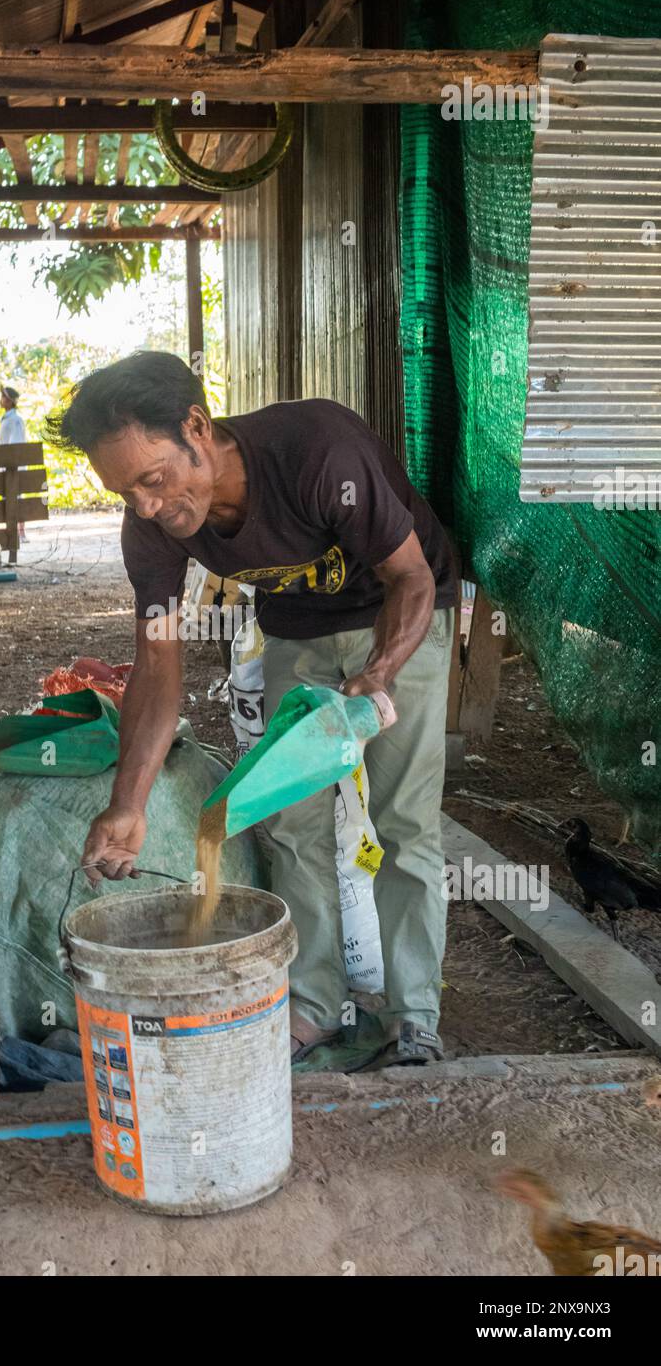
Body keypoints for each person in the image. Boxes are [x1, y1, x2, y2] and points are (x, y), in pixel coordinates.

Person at [53, 351, 457, 1071]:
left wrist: (379, 676)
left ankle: (414, 1018)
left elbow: (412, 576)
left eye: (153, 479)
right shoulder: (150, 523)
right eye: (126, 492)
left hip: (400, 618)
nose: (147, 506)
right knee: (294, 824)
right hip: (296, 632)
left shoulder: (317, 453)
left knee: (400, 822)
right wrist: (128, 805)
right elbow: (157, 661)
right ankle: (312, 1008)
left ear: (197, 428)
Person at [0, 384, 27, 542]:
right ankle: (15, 531)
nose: (0, 400)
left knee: (15, 497)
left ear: (9, 401)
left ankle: (20, 532)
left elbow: (14, 447)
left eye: (3, 397)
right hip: (7, 467)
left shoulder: (14, 420)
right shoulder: (8, 419)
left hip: (12, 468)